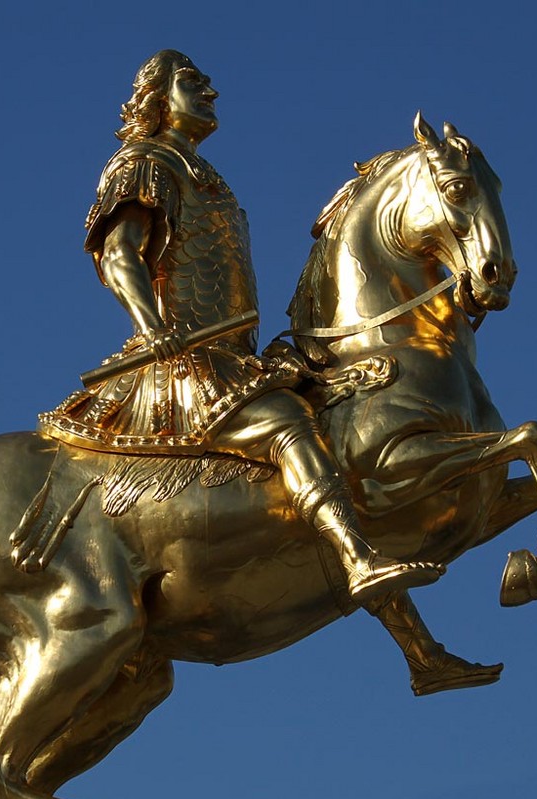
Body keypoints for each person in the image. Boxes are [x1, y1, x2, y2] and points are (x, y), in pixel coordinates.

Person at [39, 49, 440, 607]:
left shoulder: (203, 175)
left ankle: (420, 651)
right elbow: (118, 253)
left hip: (232, 357)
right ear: (158, 101)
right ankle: (357, 557)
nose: (210, 90)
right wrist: (154, 328)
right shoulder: (145, 162)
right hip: (184, 365)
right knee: (289, 425)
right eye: (191, 82)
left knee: (345, 434)